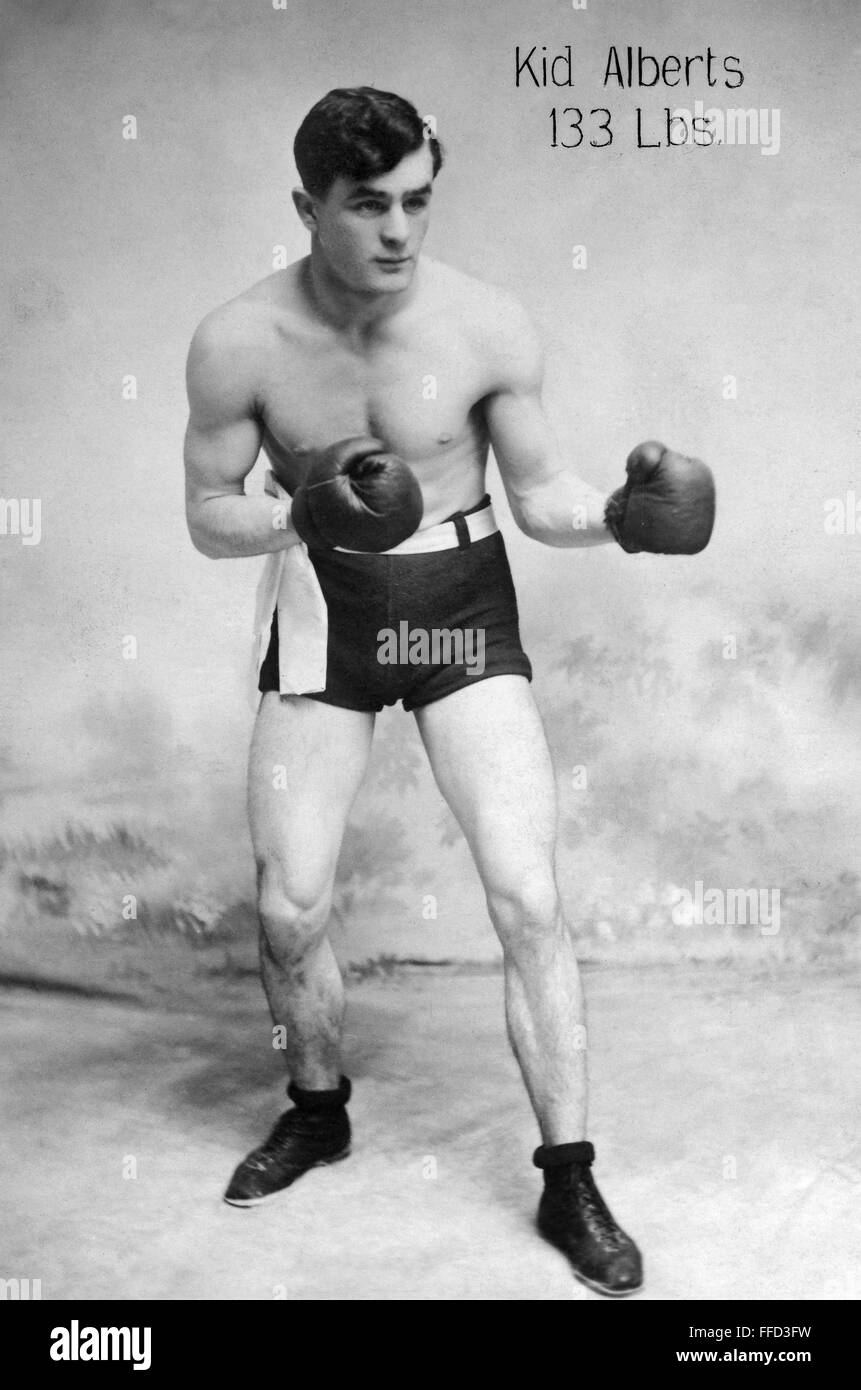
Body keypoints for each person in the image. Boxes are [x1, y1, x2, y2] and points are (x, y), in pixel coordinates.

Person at [183, 86, 714, 1298]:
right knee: (289, 906)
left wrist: (621, 517)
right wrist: (294, 509)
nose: (397, 232)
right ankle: (317, 1109)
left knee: (529, 897)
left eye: (418, 200)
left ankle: (570, 1173)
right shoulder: (237, 341)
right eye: (367, 205)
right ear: (306, 204)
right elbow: (209, 515)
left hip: (462, 607)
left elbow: (540, 495)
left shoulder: (485, 324)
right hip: (327, 610)